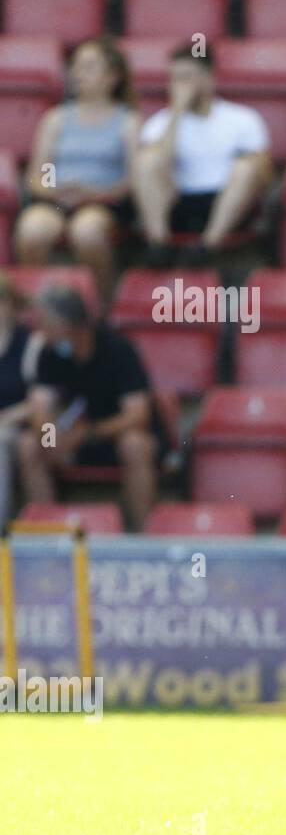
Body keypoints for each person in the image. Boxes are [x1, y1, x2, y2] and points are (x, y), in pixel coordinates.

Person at [17, 286, 162, 532]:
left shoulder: (118, 350)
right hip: (74, 440)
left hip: (110, 437)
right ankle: (49, 536)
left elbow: (137, 415)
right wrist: (51, 439)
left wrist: (86, 434)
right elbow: (40, 407)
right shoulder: (48, 353)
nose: (39, 330)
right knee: (29, 444)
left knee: (135, 444)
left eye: (45, 322)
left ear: (67, 325)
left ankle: (144, 536)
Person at [15, 37, 141, 298]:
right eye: (76, 66)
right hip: (58, 201)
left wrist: (95, 193)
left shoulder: (128, 121)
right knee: (32, 230)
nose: (79, 73)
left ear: (112, 76)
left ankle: (100, 307)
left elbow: (134, 179)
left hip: (105, 202)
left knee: (87, 232)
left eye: (89, 66)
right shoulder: (57, 119)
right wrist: (54, 190)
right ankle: (38, 304)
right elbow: (41, 171)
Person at [132, 43, 274, 267]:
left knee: (246, 166)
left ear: (209, 78)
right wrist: (177, 112)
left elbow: (264, 175)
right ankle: (158, 245)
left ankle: (207, 247)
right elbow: (156, 166)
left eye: (187, 77)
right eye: (174, 78)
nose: (179, 85)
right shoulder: (160, 123)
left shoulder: (243, 119)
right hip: (177, 202)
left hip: (225, 205)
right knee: (145, 160)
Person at [0, 274, 43, 526]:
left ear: (13, 306)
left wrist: (5, 418)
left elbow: (42, 401)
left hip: (22, 426)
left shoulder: (31, 344)